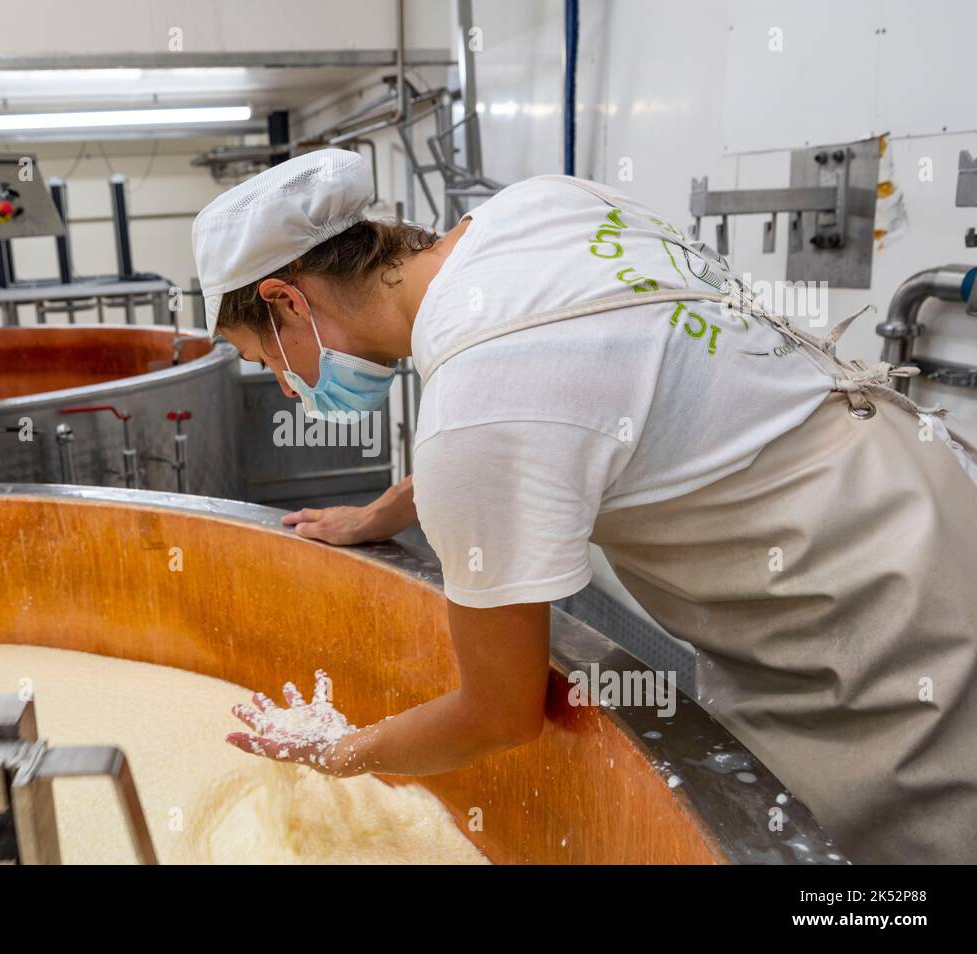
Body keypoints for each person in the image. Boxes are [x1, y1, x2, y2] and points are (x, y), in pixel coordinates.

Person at [190, 148, 977, 864]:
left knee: (875, 869)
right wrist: (389, 511)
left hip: (873, 622)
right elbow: (561, 406)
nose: (290, 387)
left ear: (286, 300)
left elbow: (500, 714)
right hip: (920, 485)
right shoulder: (536, 208)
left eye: (270, 362)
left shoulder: (475, 400)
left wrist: (340, 753)